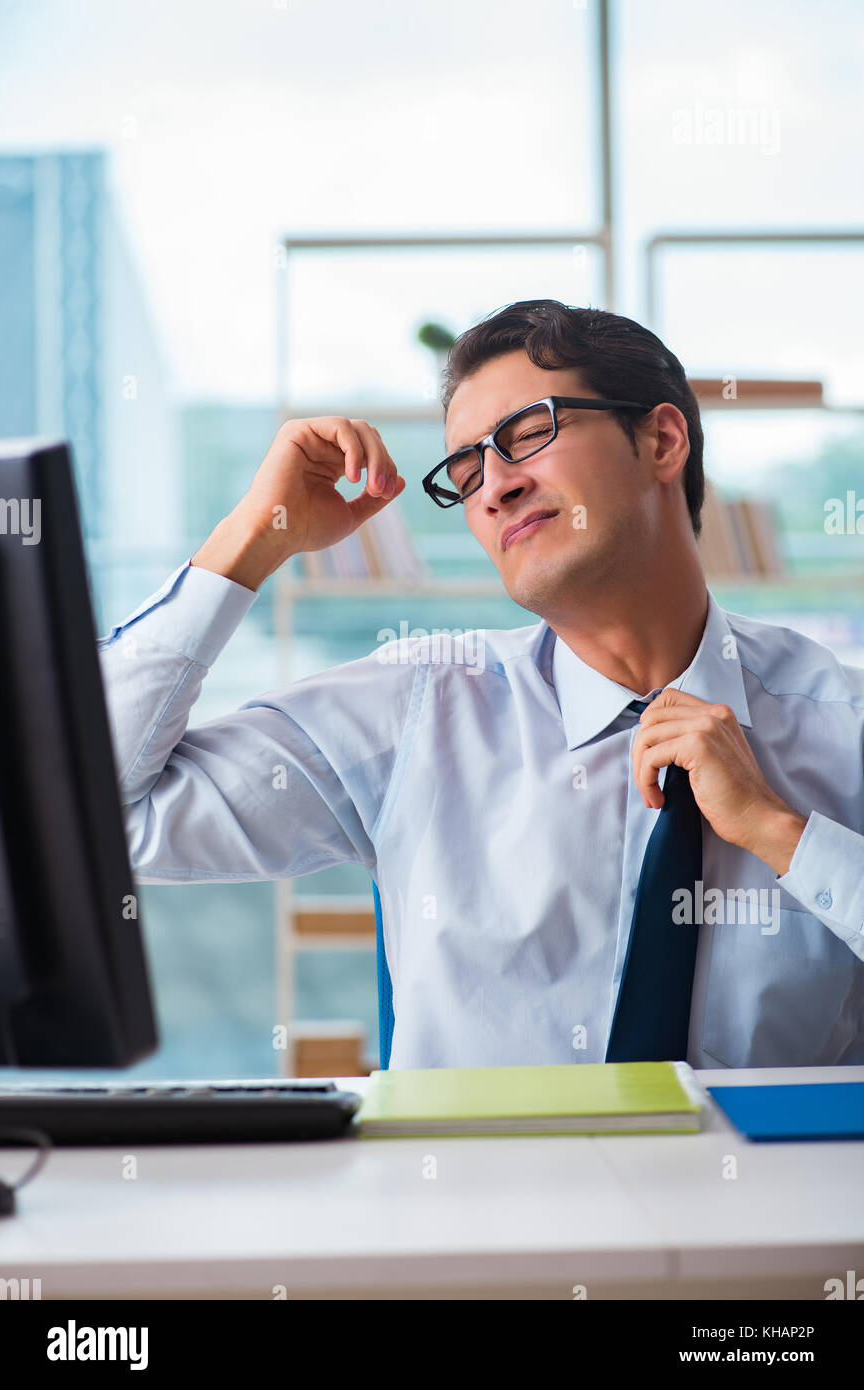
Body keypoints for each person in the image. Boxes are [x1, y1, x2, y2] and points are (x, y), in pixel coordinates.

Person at [98, 298, 864, 1070]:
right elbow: (98, 811)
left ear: (661, 441)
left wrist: (781, 834)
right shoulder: (415, 709)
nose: (493, 486)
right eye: (464, 471)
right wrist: (252, 539)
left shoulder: (844, 724)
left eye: (529, 432)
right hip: (473, 1190)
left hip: (776, 1190)